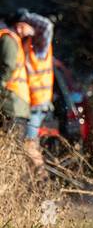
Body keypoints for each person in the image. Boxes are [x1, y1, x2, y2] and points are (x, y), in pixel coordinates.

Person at [17, 10, 54, 170]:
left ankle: (41, 181)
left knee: (29, 145)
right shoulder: (21, 46)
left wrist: (24, 17)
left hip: (37, 104)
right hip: (28, 103)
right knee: (26, 146)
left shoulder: (39, 46)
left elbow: (46, 25)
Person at [0, 15, 35, 168]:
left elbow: (7, 69)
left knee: (11, 151)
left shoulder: (8, 39)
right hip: (14, 104)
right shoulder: (12, 40)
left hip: (12, 105)